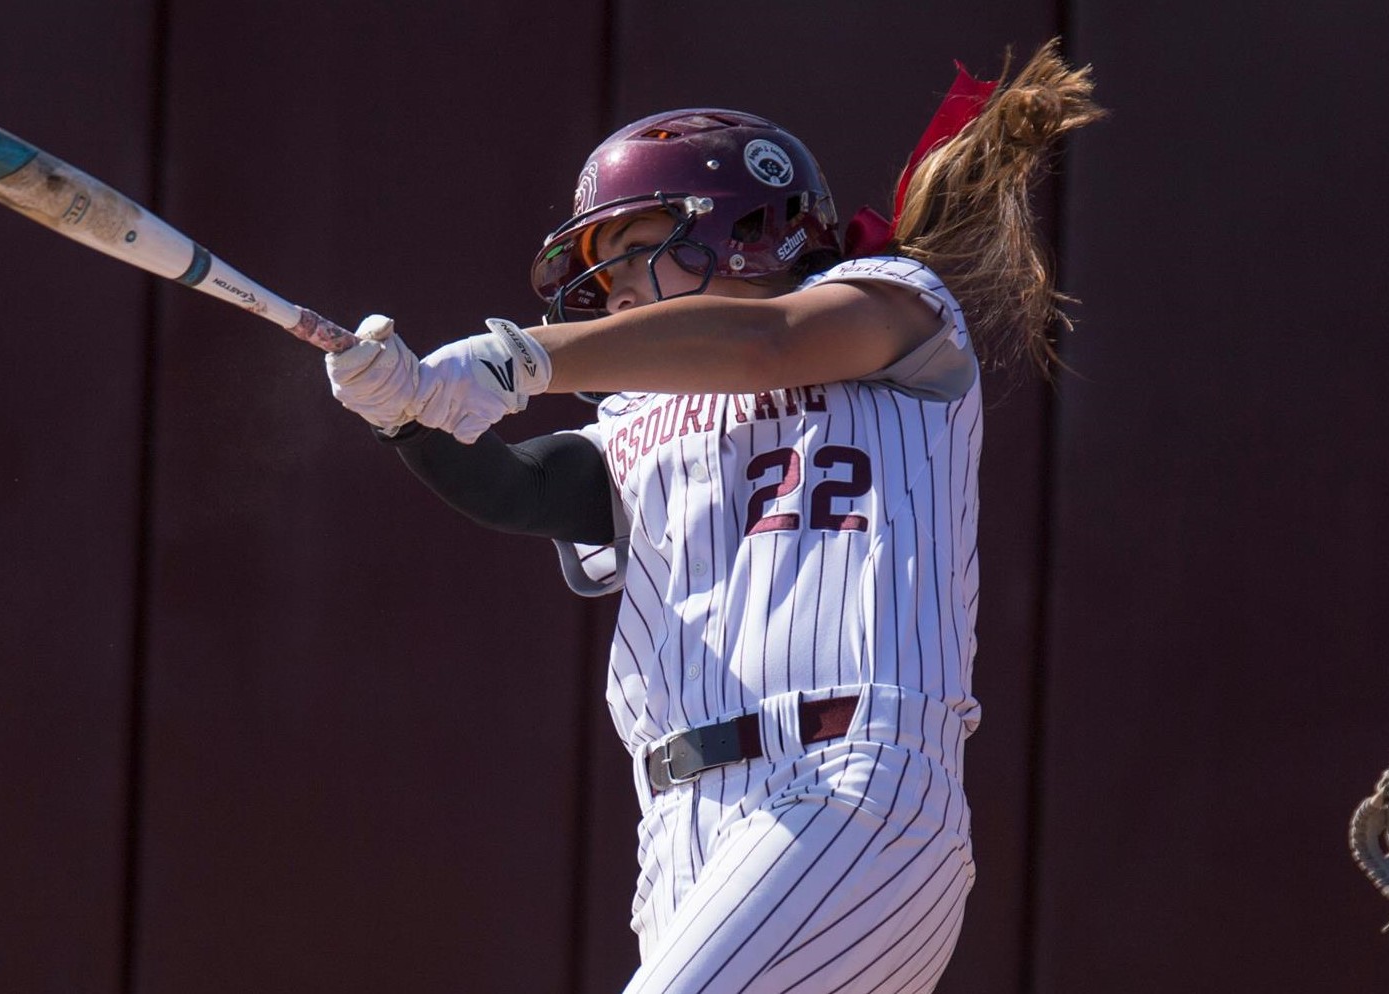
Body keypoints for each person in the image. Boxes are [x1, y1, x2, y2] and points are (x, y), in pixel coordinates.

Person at [327, 40, 1102, 994]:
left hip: (847, 783)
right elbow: (518, 487)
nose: (606, 291)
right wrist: (403, 413)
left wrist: (520, 359)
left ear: (744, 230)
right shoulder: (634, 420)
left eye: (628, 247)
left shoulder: (891, 309)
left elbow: (762, 343)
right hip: (684, 829)